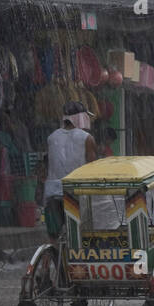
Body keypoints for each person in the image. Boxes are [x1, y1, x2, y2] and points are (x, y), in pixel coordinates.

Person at [43, 101, 96, 242]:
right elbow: (92, 168)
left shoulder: (51, 137)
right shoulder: (87, 138)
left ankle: (53, 257)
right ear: (80, 118)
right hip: (76, 192)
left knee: (54, 235)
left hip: (52, 192)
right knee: (80, 233)